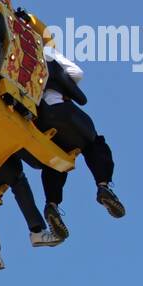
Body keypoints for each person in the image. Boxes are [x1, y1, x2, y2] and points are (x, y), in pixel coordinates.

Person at [34, 46, 126, 238]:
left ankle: (52, 204)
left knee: (57, 159)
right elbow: (76, 73)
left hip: (37, 122)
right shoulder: (42, 48)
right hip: (60, 110)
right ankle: (103, 186)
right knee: (94, 143)